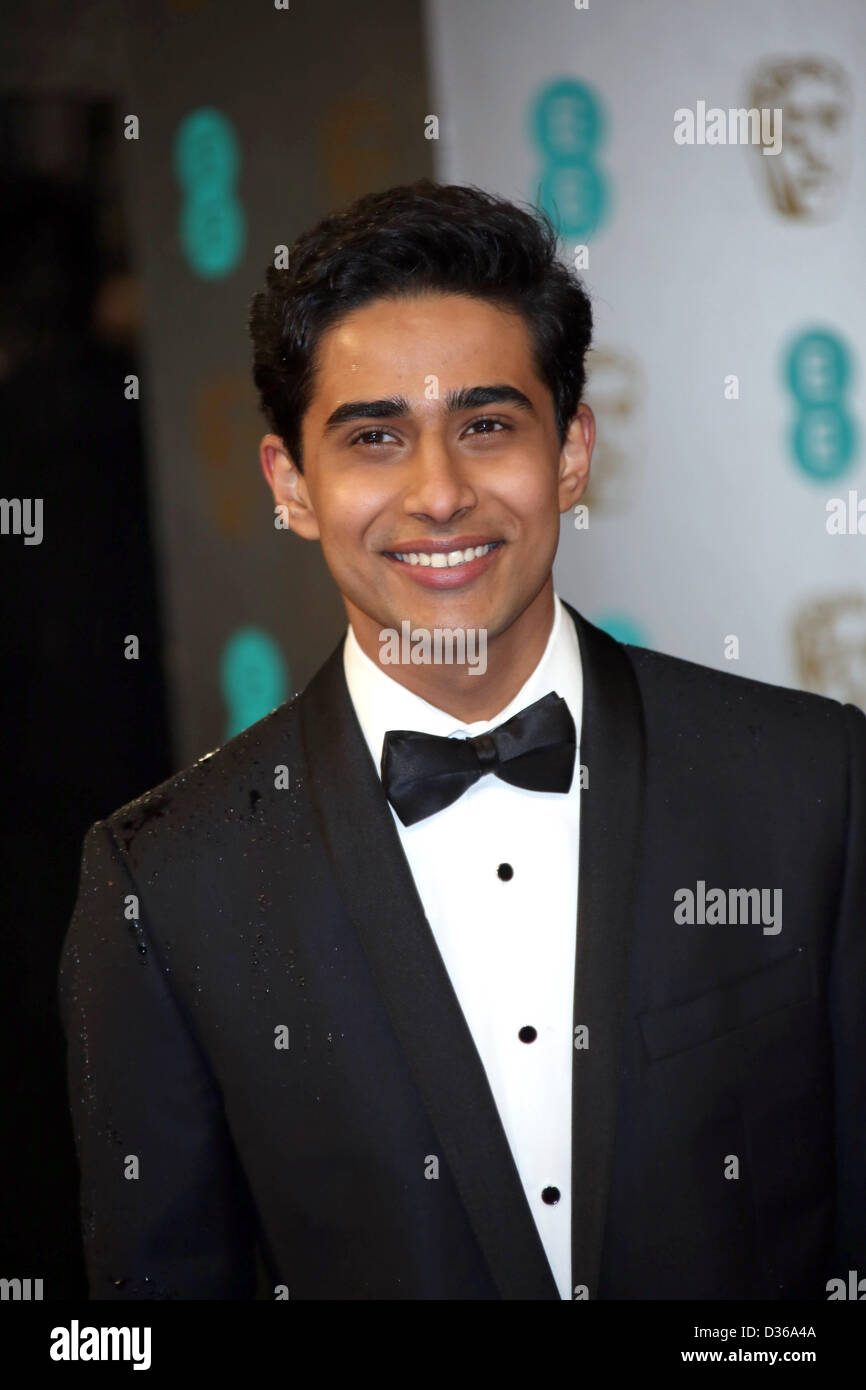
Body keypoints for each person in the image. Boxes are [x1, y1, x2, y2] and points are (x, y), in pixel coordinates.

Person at [59, 179, 866, 1301]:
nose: (439, 494)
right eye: (374, 438)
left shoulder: (810, 786)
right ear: (290, 484)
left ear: (571, 454)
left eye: (486, 426)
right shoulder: (165, 883)